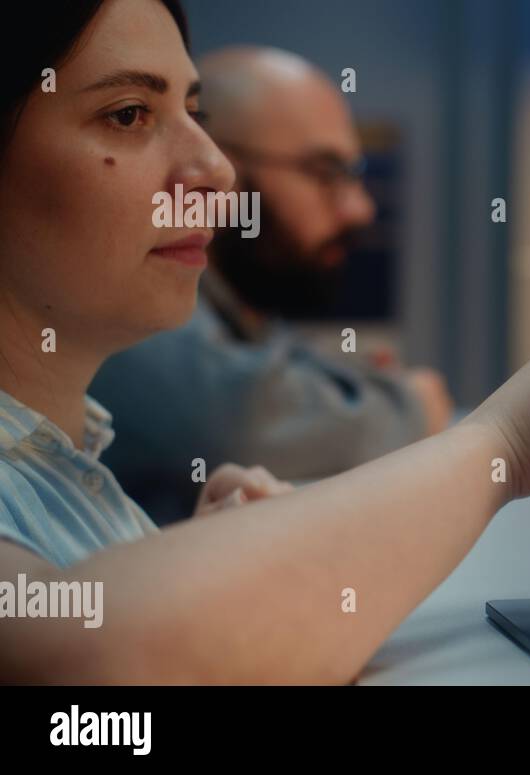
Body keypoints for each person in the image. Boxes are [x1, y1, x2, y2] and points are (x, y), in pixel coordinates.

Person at [0, 0, 530, 683]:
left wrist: (189, 561)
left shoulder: (66, 462)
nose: (216, 172)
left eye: (192, 113)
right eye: (128, 114)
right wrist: (503, 442)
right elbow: (84, 666)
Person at [88, 45, 453, 523]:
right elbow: (228, 421)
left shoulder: (239, 305)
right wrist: (412, 405)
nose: (360, 209)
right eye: (326, 172)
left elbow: (272, 379)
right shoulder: (132, 303)